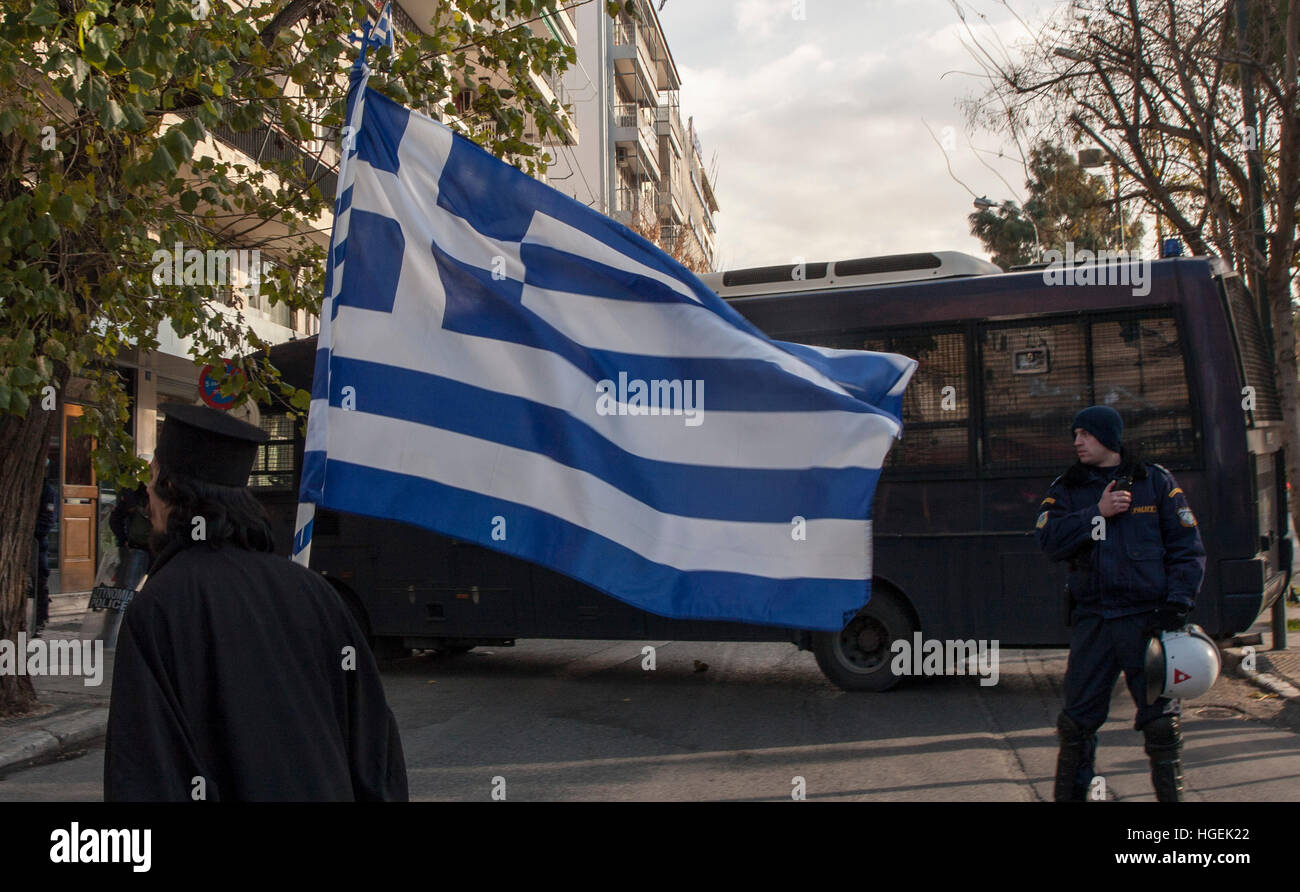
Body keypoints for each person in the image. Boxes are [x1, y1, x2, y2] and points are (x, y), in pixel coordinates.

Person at [104, 403, 408, 801]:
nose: (146, 493)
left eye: (152, 477)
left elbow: (147, 771)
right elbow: (374, 746)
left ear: (171, 490)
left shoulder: (159, 607)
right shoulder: (315, 593)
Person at [1035, 405, 1206, 802]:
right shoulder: (1069, 487)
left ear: (1109, 439)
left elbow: (1187, 548)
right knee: (1076, 725)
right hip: (1095, 621)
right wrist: (1096, 512)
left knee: (1161, 724)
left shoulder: (1155, 482)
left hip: (1145, 623)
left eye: (1086, 434)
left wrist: (1179, 602)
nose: (1077, 441)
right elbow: (1047, 540)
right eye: (1075, 434)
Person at [32, 464, 57, 636]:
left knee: (39, 581)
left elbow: (48, 521)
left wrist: (31, 533)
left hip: (37, 544)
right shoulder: (28, 488)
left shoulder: (47, 491)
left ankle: (40, 620)